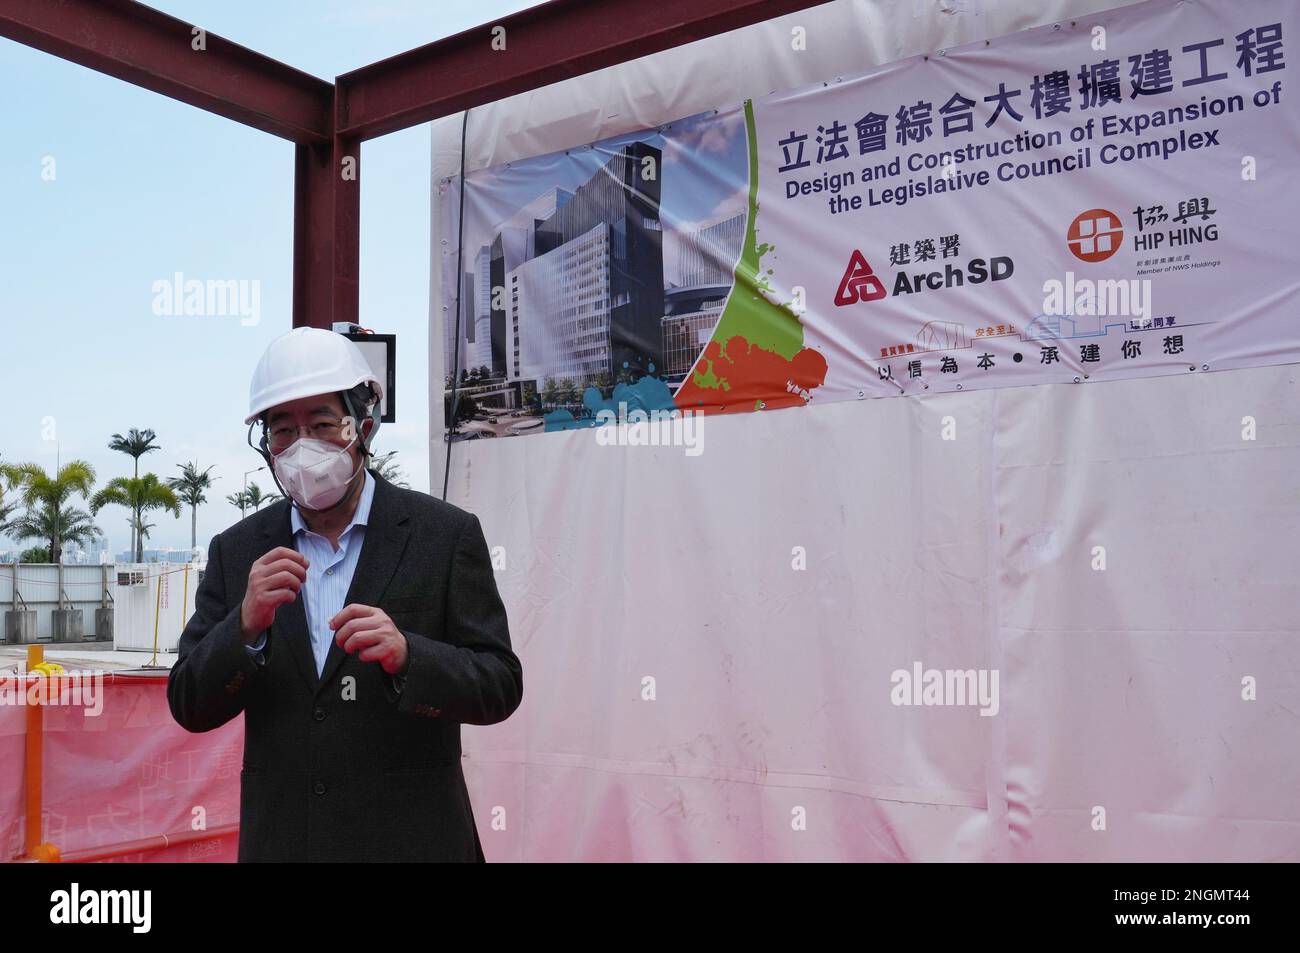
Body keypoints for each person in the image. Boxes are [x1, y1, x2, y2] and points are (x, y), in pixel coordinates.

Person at [167, 326, 522, 862]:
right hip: (287, 844)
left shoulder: (443, 536)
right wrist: (243, 628)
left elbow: (499, 684)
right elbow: (189, 703)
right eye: (283, 430)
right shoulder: (238, 552)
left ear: (365, 425)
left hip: (414, 843)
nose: (301, 446)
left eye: (322, 424)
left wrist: (410, 656)